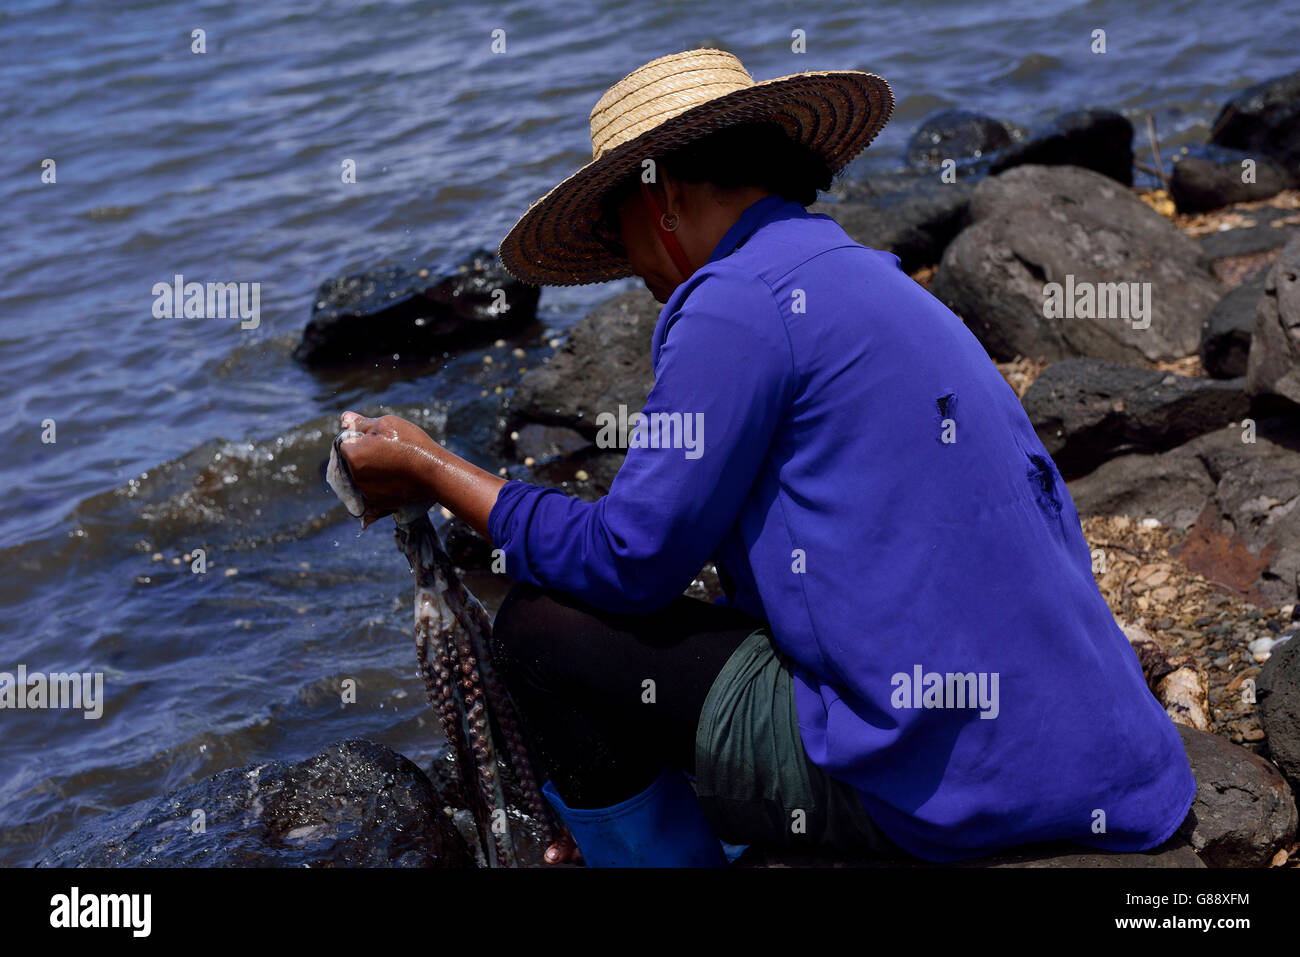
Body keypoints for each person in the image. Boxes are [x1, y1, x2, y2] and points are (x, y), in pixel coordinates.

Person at [337, 48, 1196, 867]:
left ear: (661, 194)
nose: (630, 267)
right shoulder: (869, 276)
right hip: (1105, 753)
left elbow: (628, 558)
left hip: (954, 781)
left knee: (541, 629)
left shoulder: (733, 302)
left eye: (615, 226)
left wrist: (431, 469)